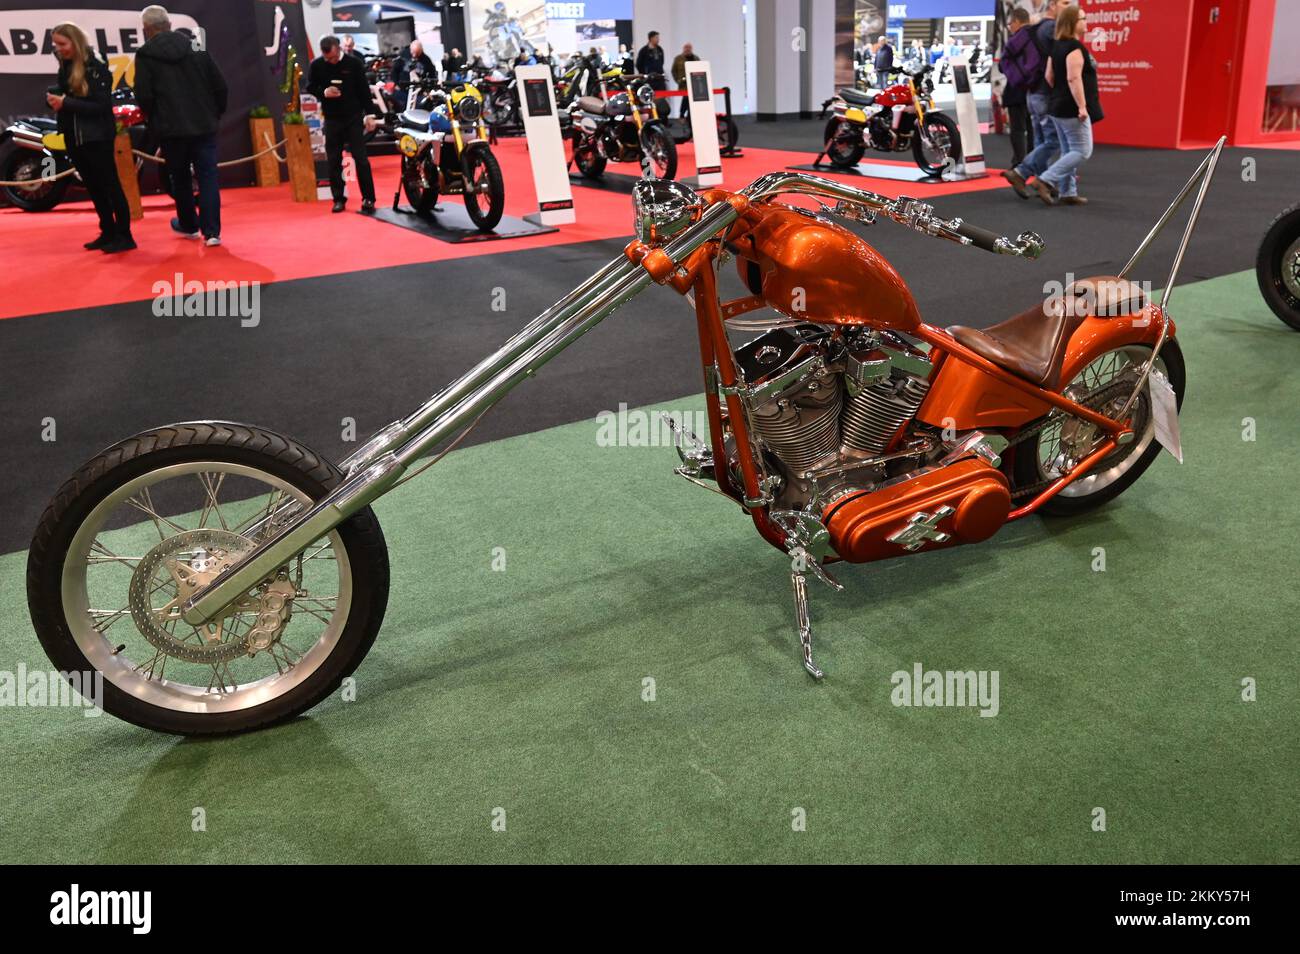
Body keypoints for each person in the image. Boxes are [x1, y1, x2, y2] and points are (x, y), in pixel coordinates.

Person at [133, 4, 227, 246]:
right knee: (208, 177)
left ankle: (189, 225)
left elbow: (144, 95)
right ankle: (213, 232)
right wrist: (214, 114)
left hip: (171, 129)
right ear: (169, 24)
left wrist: (155, 122)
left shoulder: (145, 55)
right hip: (203, 124)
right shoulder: (196, 46)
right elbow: (220, 86)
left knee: (181, 178)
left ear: (147, 29)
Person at [46, 22, 134, 253]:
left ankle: (124, 235)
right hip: (74, 136)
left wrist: (66, 103)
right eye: (55, 44)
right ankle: (107, 231)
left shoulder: (96, 65)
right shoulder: (65, 65)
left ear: (75, 42)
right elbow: (69, 95)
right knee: (94, 187)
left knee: (110, 185)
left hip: (97, 136)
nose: (58, 48)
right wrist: (55, 99)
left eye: (62, 44)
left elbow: (101, 105)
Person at [1034, 5, 1101, 205]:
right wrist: (1081, 106)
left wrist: (1061, 93)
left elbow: (1049, 76)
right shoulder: (1074, 47)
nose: (1086, 21)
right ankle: (1045, 179)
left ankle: (1067, 191)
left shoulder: (1056, 46)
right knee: (1082, 151)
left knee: (1068, 150)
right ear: (1073, 23)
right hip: (1071, 109)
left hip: (1058, 106)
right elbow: (1073, 78)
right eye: (1083, 18)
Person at [307, 35, 379, 214]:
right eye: (326, 58)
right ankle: (338, 198)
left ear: (338, 48)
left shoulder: (354, 64)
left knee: (361, 159)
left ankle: (368, 198)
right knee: (333, 159)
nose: (329, 61)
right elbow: (309, 86)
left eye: (331, 57)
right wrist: (323, 92)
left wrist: (370, 115)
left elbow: (363, 90)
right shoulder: (317, 65)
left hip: (353, 116)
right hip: (331, 118)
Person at [1003, 0, 1068, 198]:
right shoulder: (1049, 29)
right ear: (1053, 5)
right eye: (1065, 3)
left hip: (1030, 91)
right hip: (1042, 92)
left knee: (1040, 139)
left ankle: (1044, 180)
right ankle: (1021, 172)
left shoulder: (1031, 31)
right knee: (1053, 140)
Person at [998, 7, 1040, 168]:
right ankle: (1033, 162)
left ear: (1016, 21)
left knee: (1017, 129)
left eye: (1010, 24)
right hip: (1035, 88)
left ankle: (1019, 164)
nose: (1009, 27)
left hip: (1016, 89)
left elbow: (1003, 65)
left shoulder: (1016, 39)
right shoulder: (1038, 36)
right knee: (1033, 129)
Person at [670, 42, 698, 119]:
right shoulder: (678, 58)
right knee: (686, 98)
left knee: (691, 99)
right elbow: (673, 70)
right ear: (683, 49)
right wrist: (677, 80)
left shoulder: (696, 58)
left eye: (689, 47)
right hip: (683, 84)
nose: (687, 49)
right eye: (686, 47)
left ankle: (687, 115)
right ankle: (682, 114)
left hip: (694, 83)